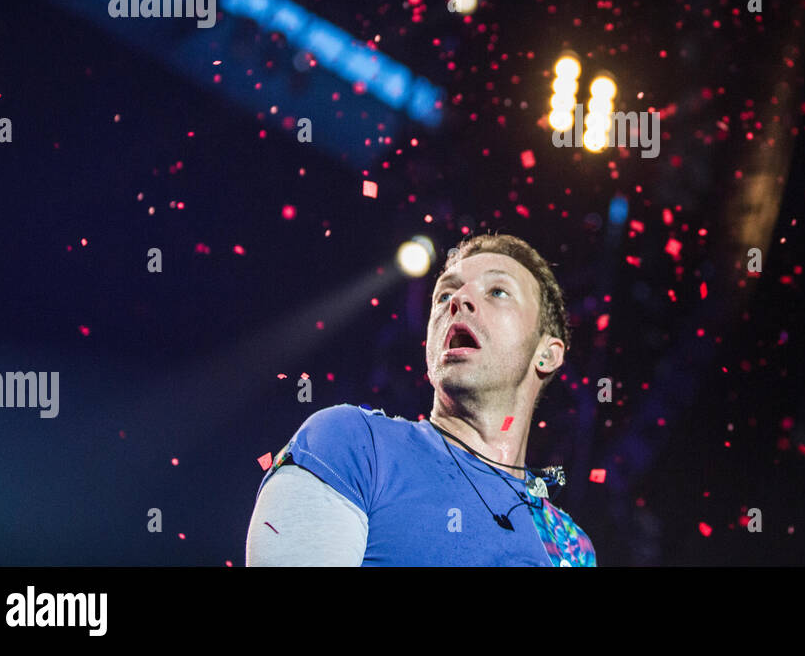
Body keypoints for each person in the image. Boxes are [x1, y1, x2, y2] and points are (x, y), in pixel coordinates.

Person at [246, 232, 596, 566]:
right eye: (444, 295)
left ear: (547, 354)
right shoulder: (352, 442)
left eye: (498, 291)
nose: (458, 300)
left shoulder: (569, 544)